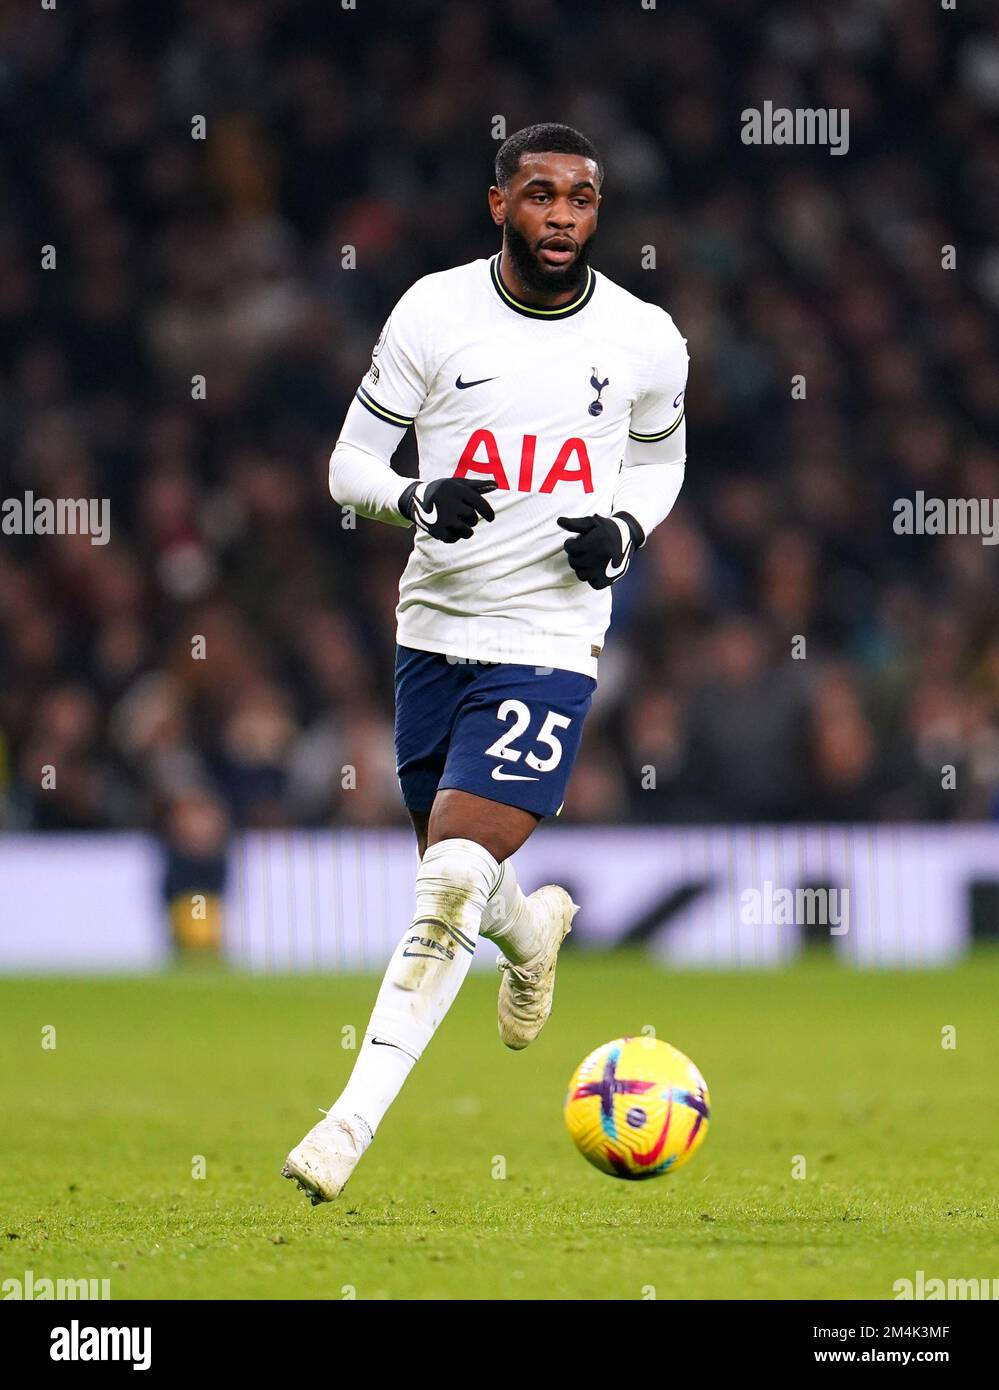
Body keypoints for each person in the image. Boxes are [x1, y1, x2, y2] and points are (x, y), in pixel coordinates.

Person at [283, 122, 688, 1204]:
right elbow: (347, 464)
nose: (563, 215)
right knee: (461, 881)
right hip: (433, 632)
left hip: (550, 641)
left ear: (599, 213)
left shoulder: (646, 337)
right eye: (543, 194)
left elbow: (661, 455)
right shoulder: (433, 311)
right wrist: (413, 496)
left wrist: (627, 529)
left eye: (583, 199)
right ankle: (532, 928)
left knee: (450, 871)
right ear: (499, 201)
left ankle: (346, 1124)